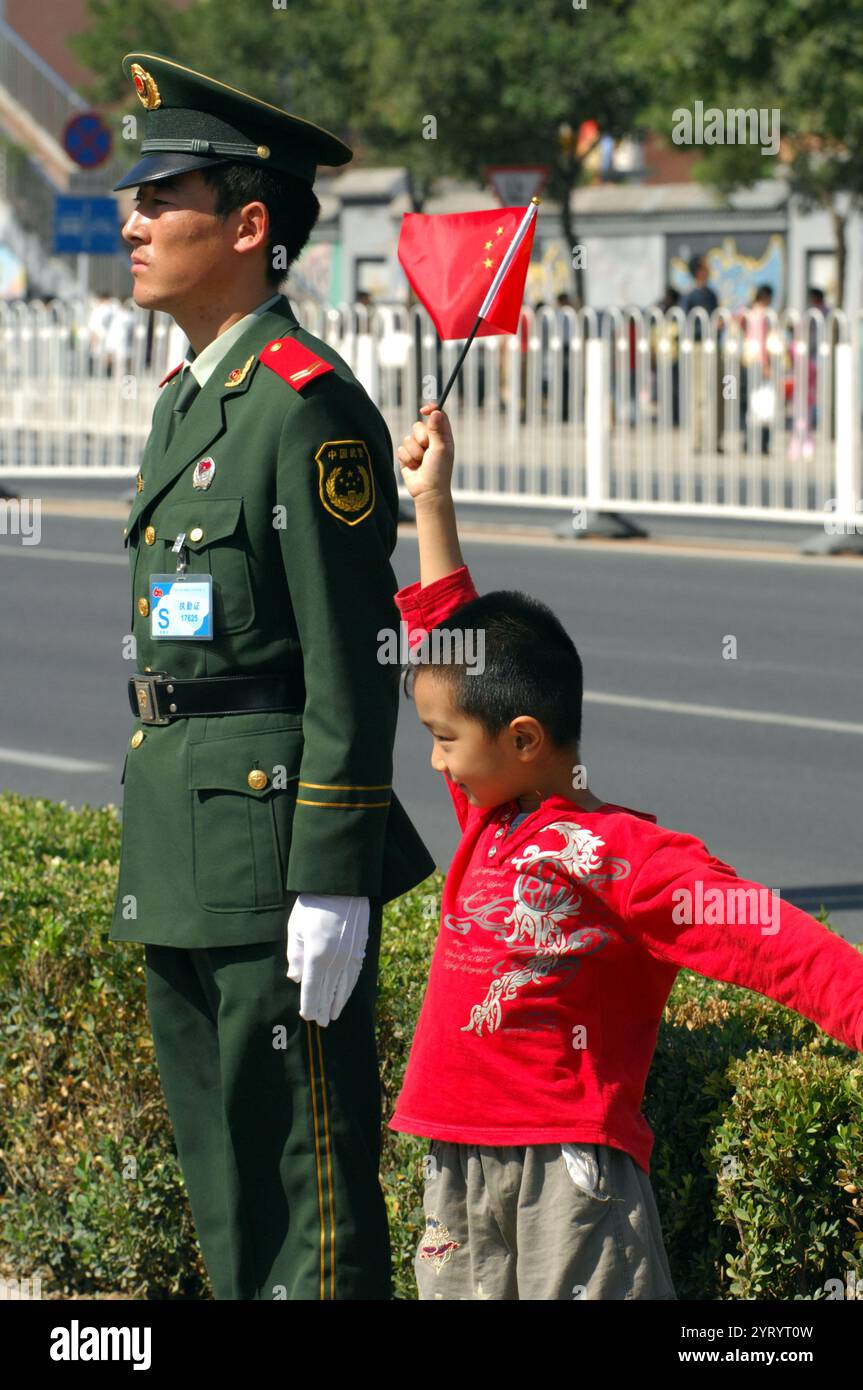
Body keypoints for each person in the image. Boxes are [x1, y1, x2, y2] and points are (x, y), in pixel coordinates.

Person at [389, 402, 863, 1301]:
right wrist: (433, 500)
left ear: (523, 738)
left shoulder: (626, 856)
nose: (435, 758)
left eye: (445, 740)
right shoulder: (490, 812)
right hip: (453, 1166)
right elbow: (444, 632)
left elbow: (770, 939)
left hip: (567, 1181)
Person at [109, 51, 435, 1300]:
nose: (132, 221)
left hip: (269, 857)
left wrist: (333, 879)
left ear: (249, 226)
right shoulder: (193, 401)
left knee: (307, 1199)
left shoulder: (303, 408)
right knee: (224, 1182)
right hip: (185, 845)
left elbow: (353, 654)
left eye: (163, 195)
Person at [681, 254, 720, 452]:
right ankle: (696, 440)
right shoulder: (690, 296)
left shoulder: (711, 294)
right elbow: (685, 324)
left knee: (716, 393)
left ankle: (715, 438)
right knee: (697, 394)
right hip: (698, 346)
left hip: (712, 346)